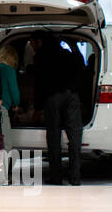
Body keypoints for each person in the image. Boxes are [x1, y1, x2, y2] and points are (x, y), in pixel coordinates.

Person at [33, 35, 87, 185]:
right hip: (72, 96)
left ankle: (56, 177)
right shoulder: (68, 54)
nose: (32, 45)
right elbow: (81, 66)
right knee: (75, 136)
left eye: (33, 42)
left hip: (53, 98)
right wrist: (73, 45)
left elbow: (39, 84)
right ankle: (75, 177)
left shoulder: (40, 57)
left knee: (54, 138)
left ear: (40, 41)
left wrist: (37, 108)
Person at [0, 44, 21, 152]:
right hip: (3, 107)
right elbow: (14, 90)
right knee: (6, 144)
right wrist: (16, 104)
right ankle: (5, 167)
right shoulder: (9, 70)